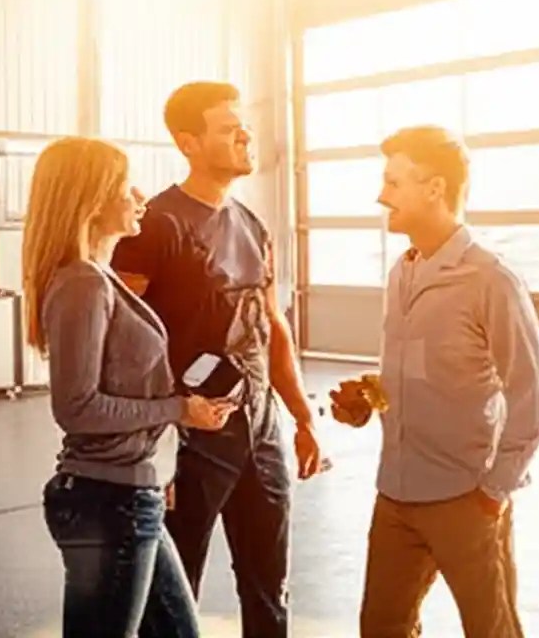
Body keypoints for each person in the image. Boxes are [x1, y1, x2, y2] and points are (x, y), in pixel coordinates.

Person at [111, 81, 327, 637]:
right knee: (173, 596)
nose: (246, 136)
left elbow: (272, 327)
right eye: (229, 130)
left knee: (269, 589)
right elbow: (119, 340)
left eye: (243, 126)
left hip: (261, 432)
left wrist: (302, 418)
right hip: (191, 436)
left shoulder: (252, 225)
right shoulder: (153, 225)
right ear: (189, 142)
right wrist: (157, 447)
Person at [329, 125, 539, 638]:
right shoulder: (401, 272)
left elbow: (532, 392)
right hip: (396, 494)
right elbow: (412, 373)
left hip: (465, 497)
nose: (381, 195)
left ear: (434, 188)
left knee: (491, 630)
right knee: (382, 627)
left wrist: (495, 490)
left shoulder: (489, 280)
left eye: (393, 182)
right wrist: (368, 398)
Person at [23, 136, 236, 637]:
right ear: (92, 201)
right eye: (125, 186)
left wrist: (161, 458)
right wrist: (178, 408)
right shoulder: (83, 284)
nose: (141, 195)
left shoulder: (100, 278)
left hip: (132, 494)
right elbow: (77, 408)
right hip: (109, 503)